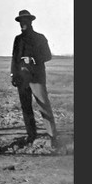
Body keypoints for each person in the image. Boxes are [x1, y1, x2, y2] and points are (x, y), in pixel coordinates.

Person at [10, 9, 58, 147]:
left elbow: (48, 56)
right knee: (26, 107)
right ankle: (31, 135)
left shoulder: (40, 38)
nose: (22, 24)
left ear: (31, 22)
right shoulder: (18, 39)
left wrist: (33, 59)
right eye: (21, 22)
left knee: (44, 105)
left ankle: (52, 137)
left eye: (25, 21)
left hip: (37, 78)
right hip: (22, 79)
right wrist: (13, 74)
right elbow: (14, 58)